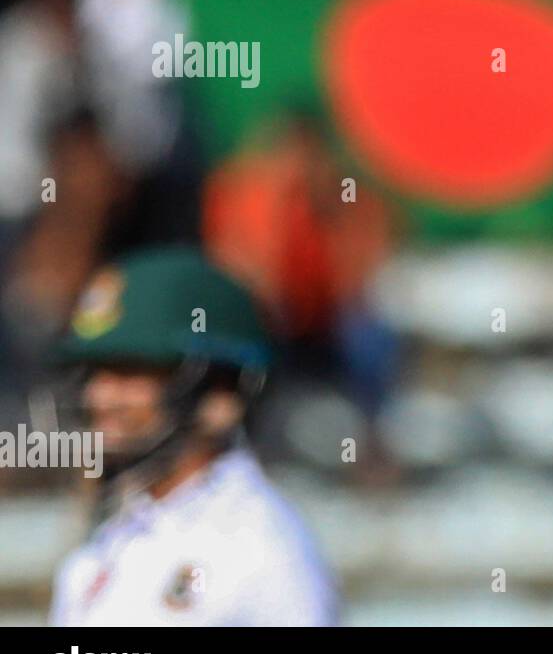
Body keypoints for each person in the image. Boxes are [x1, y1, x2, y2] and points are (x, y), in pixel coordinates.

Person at [48, 246, 338, 626]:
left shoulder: (261, 550)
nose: (98, 396)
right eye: (96, 373)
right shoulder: (115, 535)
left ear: (220, 393)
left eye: (131, 371)